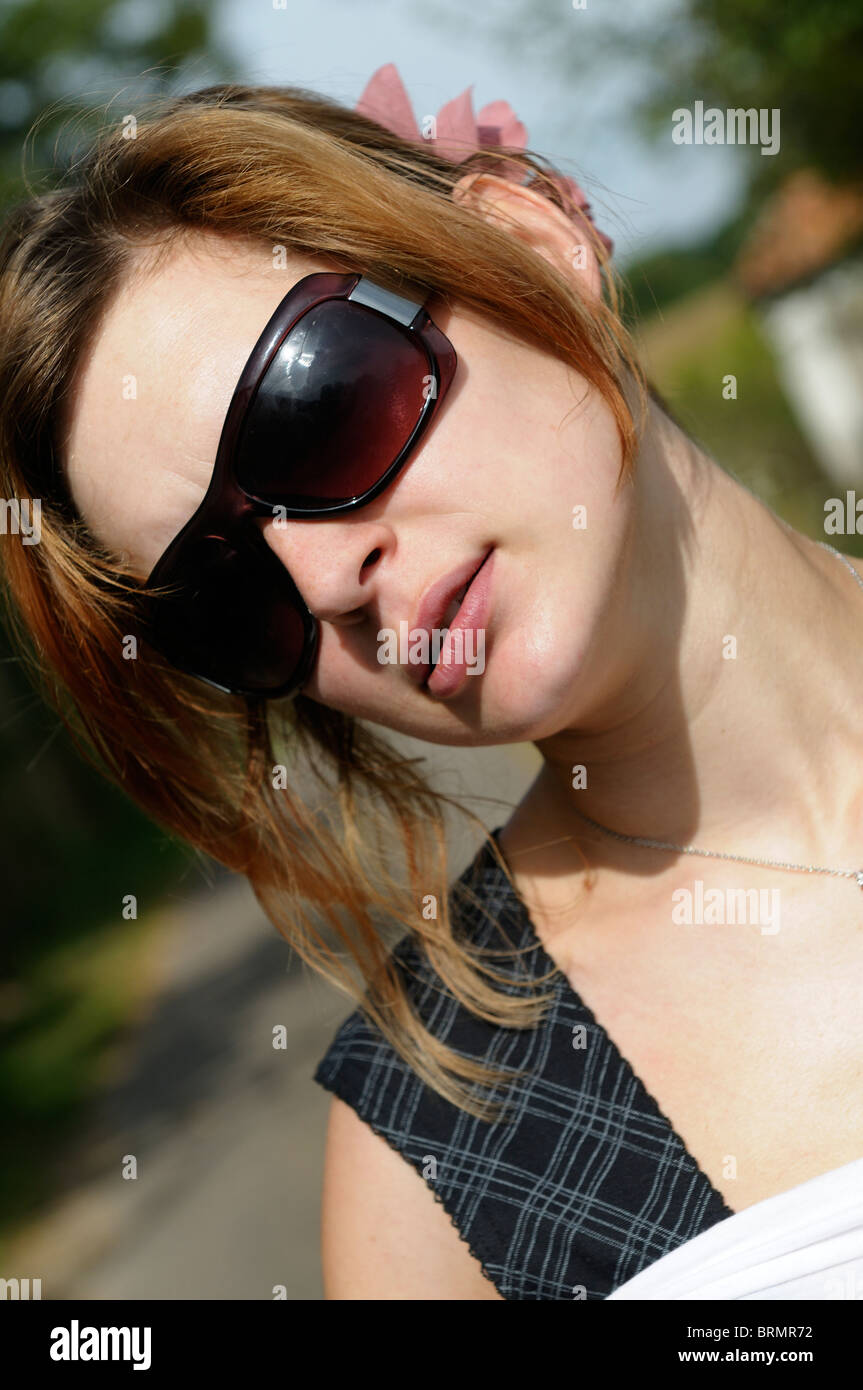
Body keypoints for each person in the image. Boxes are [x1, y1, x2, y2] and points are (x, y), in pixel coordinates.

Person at [1, 67, 862, 1302]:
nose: (321, 574)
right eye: (226, 595)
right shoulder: (442, 1166)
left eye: (311, 410)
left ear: (529, 237)